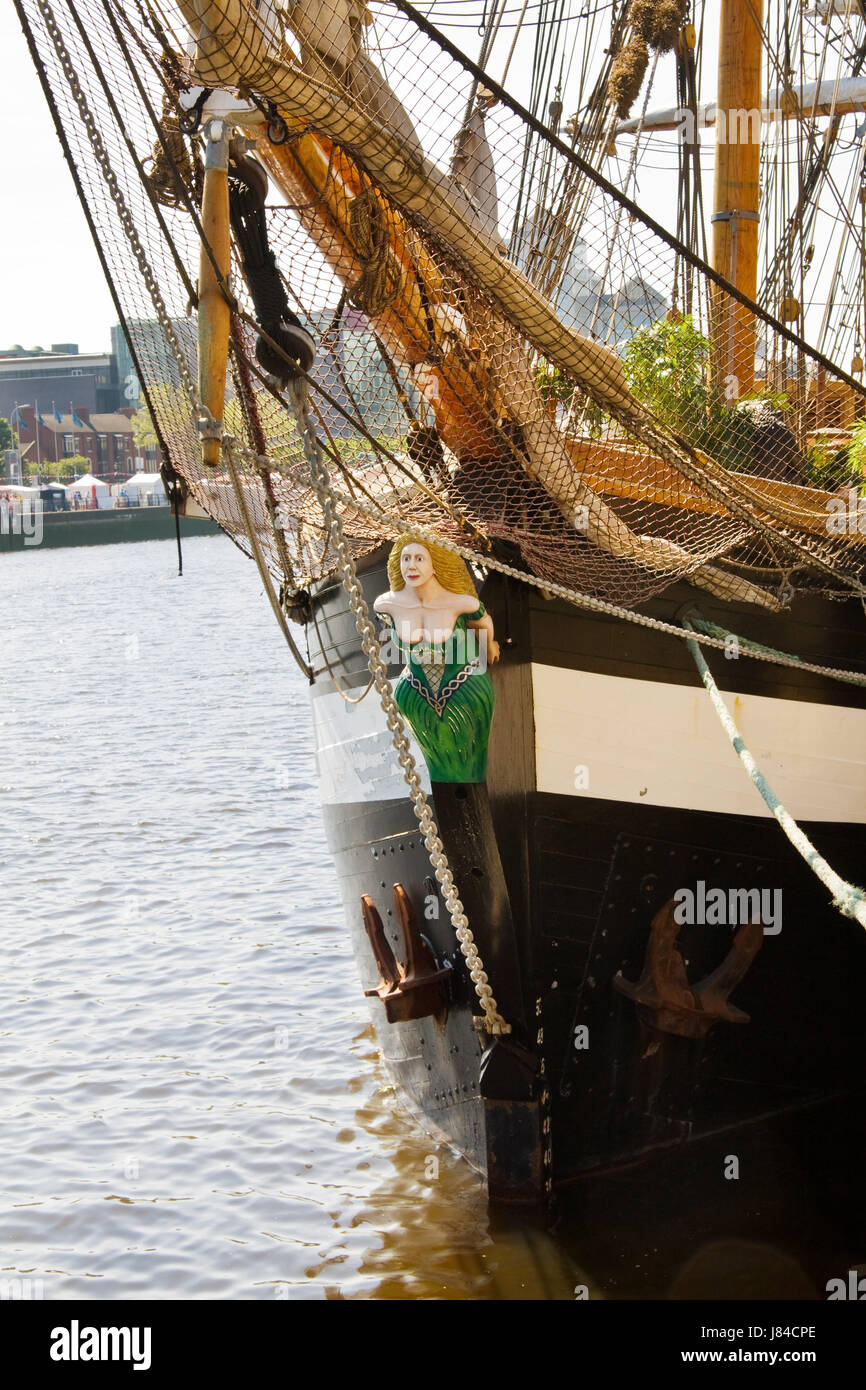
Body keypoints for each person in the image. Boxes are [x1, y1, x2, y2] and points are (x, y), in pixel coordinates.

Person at [374, 534, 500, 782]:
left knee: (472, 759)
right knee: (437, 762)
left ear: (435, 565)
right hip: (413, 694)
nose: (411, 565)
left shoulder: (461, 603)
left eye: (419, 558)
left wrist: (490, 647)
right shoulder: (386, 605)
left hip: (467, 691)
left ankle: (467, 799)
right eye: (406, 558)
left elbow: (484, 623)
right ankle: (449, 802)